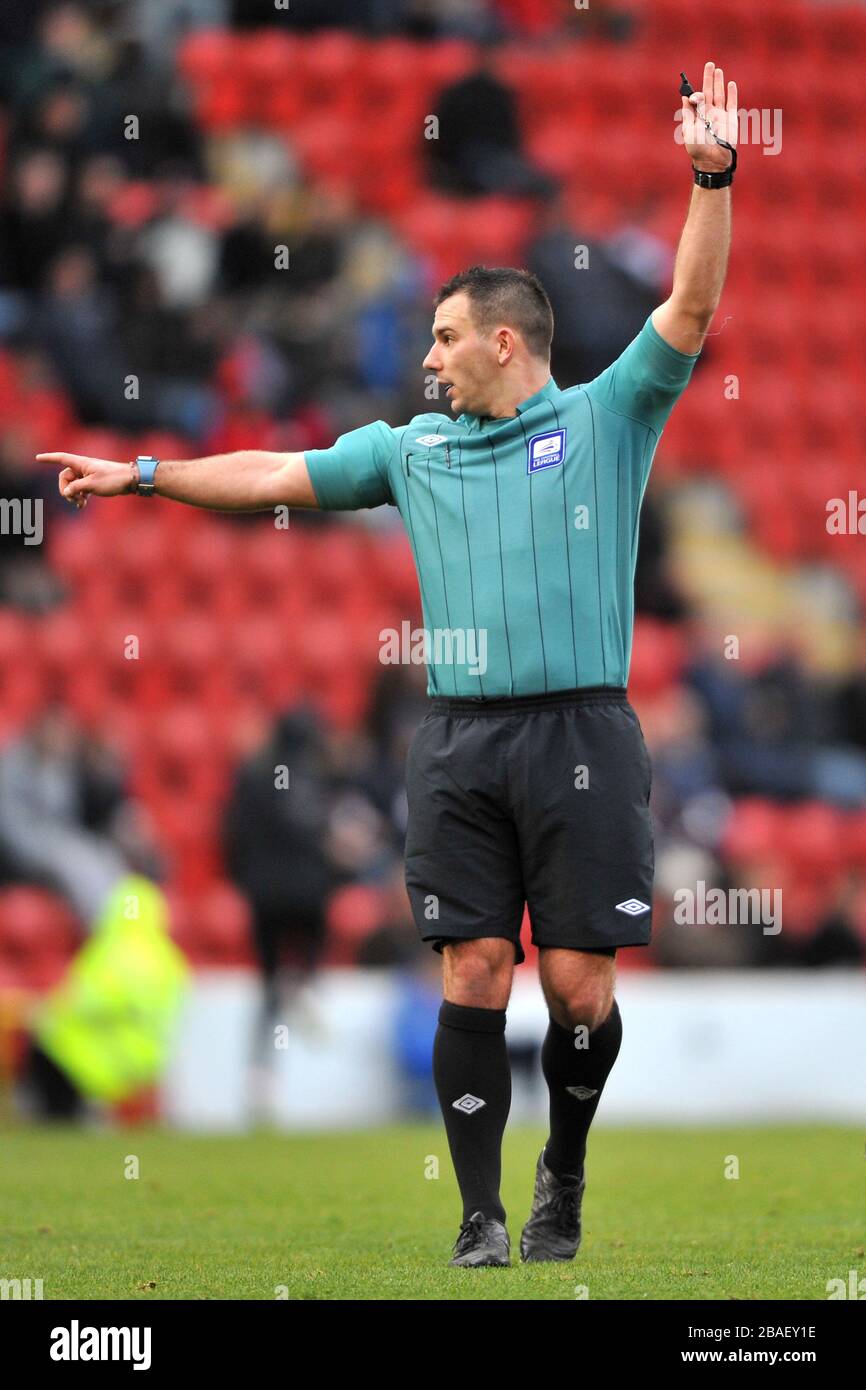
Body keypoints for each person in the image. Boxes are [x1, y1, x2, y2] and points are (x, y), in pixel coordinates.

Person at [38, 62, 737, 1267]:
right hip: (460, 736)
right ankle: (478, 1216)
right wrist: (145, 473)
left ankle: (561, 1169)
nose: (430, 355)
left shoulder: (605, 415)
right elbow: (268, 474)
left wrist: (710, 174)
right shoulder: (410, 449)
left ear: (504, 341)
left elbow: (687, 301)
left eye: (446, 336)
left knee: (577, 992)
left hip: (582, 733)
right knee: (472, 967)